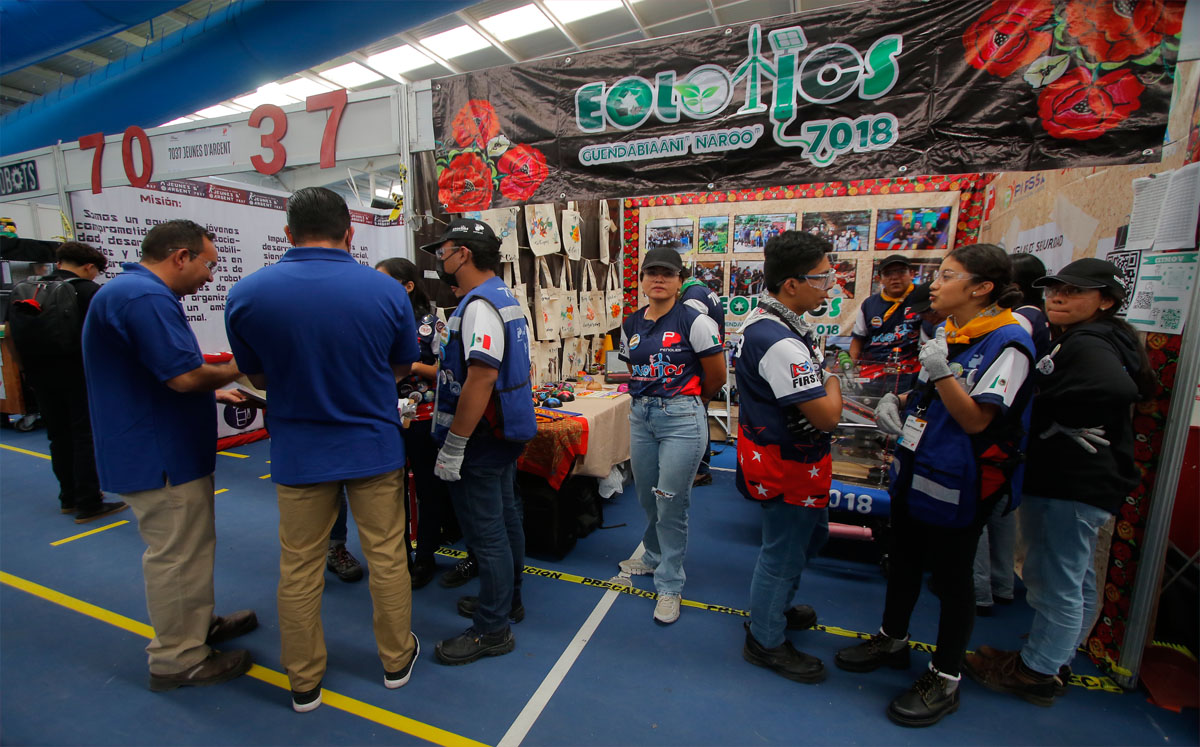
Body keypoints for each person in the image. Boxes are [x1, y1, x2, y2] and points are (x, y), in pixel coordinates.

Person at [225, 187, 420, 712]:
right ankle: (396, 660)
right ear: (350, 232)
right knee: (386, 557)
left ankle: (304, 679)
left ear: (287, 233)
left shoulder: (247, 294)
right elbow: (401, 367)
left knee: (300, 566)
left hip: (300, 449)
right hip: (372, 444)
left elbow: (258, 373)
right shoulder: (385, 293)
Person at [834, 243, 1035, 727]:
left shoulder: (1009, 343)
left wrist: (942, 371)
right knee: (902, 560)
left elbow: (974, 419)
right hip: (916, 467)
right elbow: (931, 393)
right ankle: (892, 637)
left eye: (947, 276)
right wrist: (900, 400)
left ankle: (945, 677)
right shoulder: (951, 331)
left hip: (962, 479)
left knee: (951, 580)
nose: (936, 284)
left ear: (981, 287)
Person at [965, 258, 1154, 706]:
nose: (1059, 297)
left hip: (1072, 484)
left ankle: (1036, 672)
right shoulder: (1097, 337)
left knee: (1054, 580)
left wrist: (1047, 412)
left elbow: (1117, 389)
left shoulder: (1090, 340)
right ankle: (1054, 656)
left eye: (1074, 291)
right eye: (1054, 290)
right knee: (1073, 575)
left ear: (1105, 301)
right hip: (1081, 483)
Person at [82, 219, 257, 692]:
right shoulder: (145, 298)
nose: (209, 277)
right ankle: (178, 658)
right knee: (178, 554)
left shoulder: (132, 292)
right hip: (158, 453)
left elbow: (155, 372)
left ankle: (193, 626)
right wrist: (240, 368)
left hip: (157, 442)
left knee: (192, 547)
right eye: (207, 265)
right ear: (180, 256)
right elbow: (181, 377)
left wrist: (215, 393)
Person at [421, 218, 536, 665]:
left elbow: (482, 375)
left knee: (488, 533)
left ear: (463, 253)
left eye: (445, 250)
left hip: (482, 439)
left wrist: (454, 445)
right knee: (506, 521)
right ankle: (506, 602)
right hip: (503, 432)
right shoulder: (503, 296)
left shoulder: (478, 305)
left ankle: (492, 629)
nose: (441, 259)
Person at [734, 231, 843, 683]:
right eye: (822, 278)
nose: (830, 287)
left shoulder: (777, 325)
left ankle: (774, 607)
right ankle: (766, 638)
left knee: (809, 536)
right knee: (782, 551)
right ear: (791, 285)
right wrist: (833, 378)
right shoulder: (779, 340)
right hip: (789, 462)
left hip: (790, 457)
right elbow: (826, 417)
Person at [617, 247, 726, 624]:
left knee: (671, 502)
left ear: (681, 280)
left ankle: (670, 583)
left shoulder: (694, 321)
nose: (658, 279)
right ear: (642, 280)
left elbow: (717, 375)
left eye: (667, 273)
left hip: (681, 418)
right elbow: (635, 366)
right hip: (641, 416)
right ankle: (651, 555)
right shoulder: (630, 323)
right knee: (648, 494)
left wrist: (693, 400)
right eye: (651, 273)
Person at [10, 241, 126, 522]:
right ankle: (90, 502)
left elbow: (12, 335)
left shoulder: (28, 288)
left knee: (58, 436)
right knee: (84, 435)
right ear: (89, 266)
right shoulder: (88, 291)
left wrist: (25, 369)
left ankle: (68, 497)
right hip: (79, 374)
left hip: (39, 374)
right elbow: (106, 338)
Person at [971, 253, 1052, 616]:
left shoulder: (1014, 323)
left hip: (995, 427)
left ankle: (978, 590)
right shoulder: (1037, 319)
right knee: (1000, 509)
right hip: (1012, 428)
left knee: (978, 511)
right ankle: (1001, 583)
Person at [376, 257, 452, 590]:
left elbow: (447, 373)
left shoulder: (431, 324)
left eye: (386, 281)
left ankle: (426, 557)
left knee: (427, 490)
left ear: (408, 286)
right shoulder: (374, 320)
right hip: (383, 418)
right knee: (390, 492)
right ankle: (400, 556)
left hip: (422, 420)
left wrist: (412, 368)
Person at [680, 265, 726, 488]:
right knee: (699, 416)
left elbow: (692, 333)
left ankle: (698, 469)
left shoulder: (691, 297)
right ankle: (700, 467)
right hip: (705, 362)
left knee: (694, 418)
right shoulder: (703, 290)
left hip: (699, 365)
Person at [849, 254, 920, 369]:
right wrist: (850, 369)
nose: (895, 278)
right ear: (880, 278)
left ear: (911, 274)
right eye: (888, 273)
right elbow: (858, 340)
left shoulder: (922, 297)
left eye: (901, 272)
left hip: (911, 369)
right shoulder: (869, 304)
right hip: (874, 370)